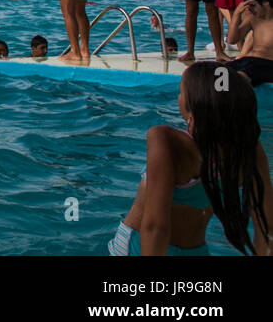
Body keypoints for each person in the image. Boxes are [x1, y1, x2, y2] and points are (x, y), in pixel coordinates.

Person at [109, 61, 272, 255]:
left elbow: (156, 227)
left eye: (180, 91)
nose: (177, 97)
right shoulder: (248, 148)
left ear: (193, 103)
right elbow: (266, 227)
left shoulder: (166, 140)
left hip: (152, 246)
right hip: (148, 248)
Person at [225, 0, 273, 85]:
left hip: (268, 64)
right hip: (249, 61)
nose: (250, 10)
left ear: (266, 3)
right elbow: (232, 40)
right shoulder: (253, 18)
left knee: (243, 74)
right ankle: (219, 99)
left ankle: (241, 98)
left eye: (253, 5)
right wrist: (236, 15)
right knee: (220, 71)